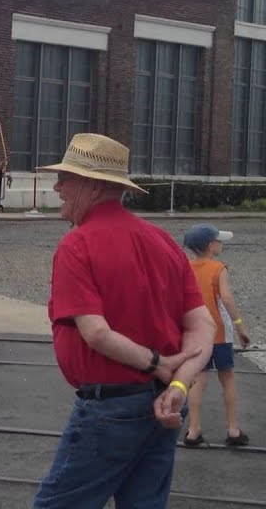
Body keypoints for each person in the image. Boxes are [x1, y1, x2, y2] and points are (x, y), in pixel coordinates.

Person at [32, 133, 215, 509]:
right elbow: (203, 328)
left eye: (67, 178)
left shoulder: (77, 245)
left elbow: (96, 334)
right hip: (164, 405)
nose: (58, 187)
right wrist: (178, 385)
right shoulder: (162, 240)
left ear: (94, 186)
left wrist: (160, 364)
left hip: (109, 409)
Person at [181, 223, 252, 447]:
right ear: (211, 245)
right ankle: (232, 429)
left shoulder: (186, 267)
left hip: (196, 333)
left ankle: (193, 430)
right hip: (219, 333)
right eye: (219, 240)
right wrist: (241, 327)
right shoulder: (218, 268)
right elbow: (227, 300)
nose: (221, 243)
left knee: (198, 380)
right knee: (227, 378)